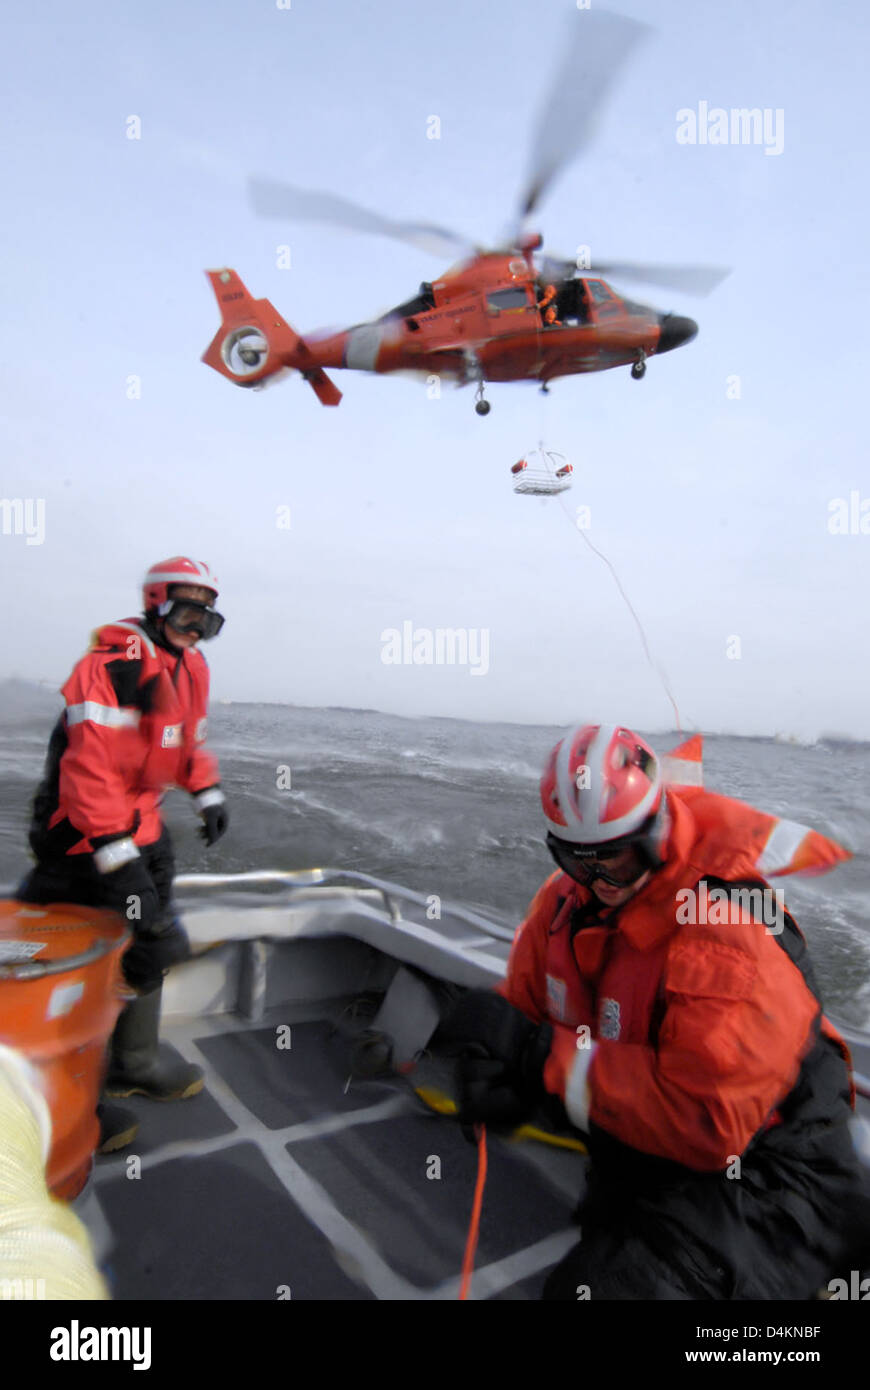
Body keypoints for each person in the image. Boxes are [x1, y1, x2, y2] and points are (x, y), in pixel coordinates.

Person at [443, 722, 870, 1300]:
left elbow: (706, 1121)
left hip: (772, 1183)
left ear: (655, 828)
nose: (599, 880)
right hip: (650, 1166)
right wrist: (493, 1059)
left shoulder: (725, 925)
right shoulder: (567, 903)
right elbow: (525, 1007)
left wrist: (538, 1059)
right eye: (578, 860)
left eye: (615, 860)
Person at [17, 557, 229, 1151]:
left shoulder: (191, 666)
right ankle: (59, 1103)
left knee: (152, 942)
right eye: (187, 614)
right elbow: (87, 770)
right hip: (85, 838)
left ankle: (132, 1063)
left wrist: (207, 794)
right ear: (157, 603)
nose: (195, 629)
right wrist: (115, 853)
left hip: (144, 826)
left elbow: (188, 741)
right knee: (139, 943)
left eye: (208, 620)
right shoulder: (111, 666)